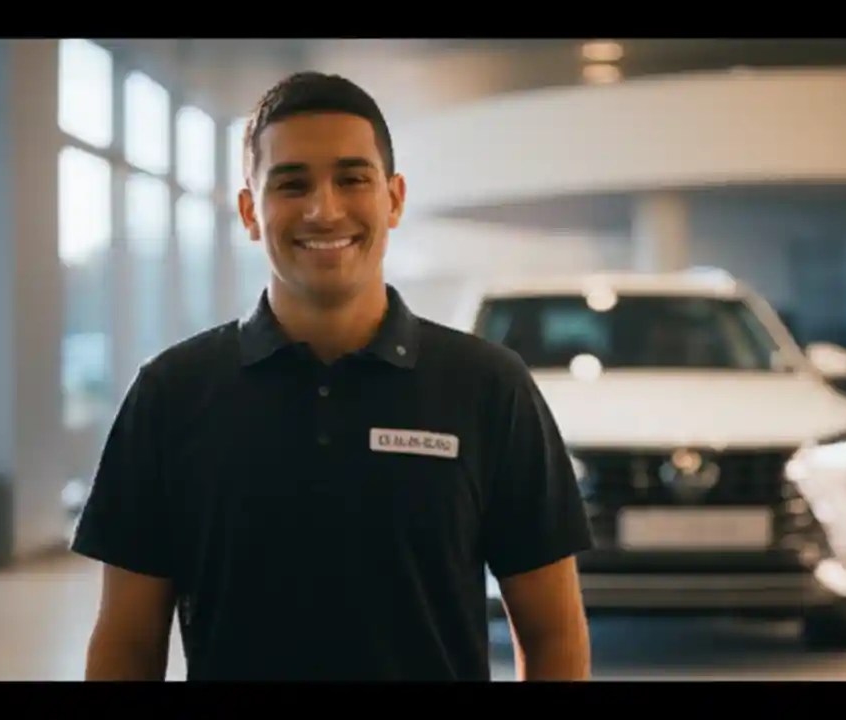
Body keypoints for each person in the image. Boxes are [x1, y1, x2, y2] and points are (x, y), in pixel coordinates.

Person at [71, 71, 594, 681]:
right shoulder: (172, 394)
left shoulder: (488, 388)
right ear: (249, 211)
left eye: (352, 179)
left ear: (394, 198)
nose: (324, 209)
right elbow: (127, 644)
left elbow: (553, 633)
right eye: (292, 184)